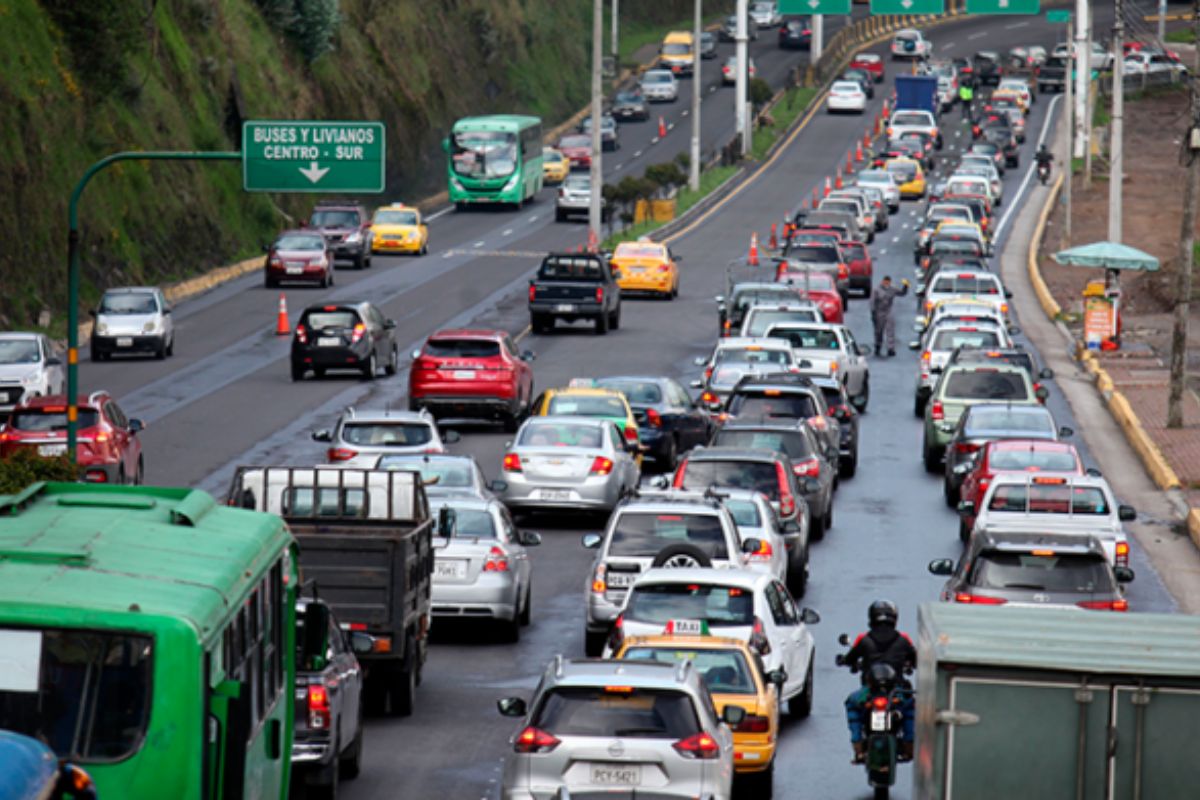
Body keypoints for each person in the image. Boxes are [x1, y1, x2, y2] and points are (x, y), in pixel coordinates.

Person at [843, 600, 917, 762]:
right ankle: (908, 745)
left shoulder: (864, 639)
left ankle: (857, 746)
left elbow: (849, 659)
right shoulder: (903, 640)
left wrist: (846, 661)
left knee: (851, 704)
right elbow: (916, 659)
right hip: (896, 692)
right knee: (910, 707)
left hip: (869, 693)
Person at [870, 275, 909, 357]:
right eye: (885, 282)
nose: (886, 284)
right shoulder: (876, 290)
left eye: (888, 282)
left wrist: (905, 286)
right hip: (879, 312)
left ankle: (891, 348)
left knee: (890, 330)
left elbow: (902, 293)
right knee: (879, 331)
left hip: (888, 311)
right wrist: (873, 313)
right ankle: (878, 345)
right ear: (882, 281)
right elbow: (872, 302)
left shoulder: (892, 288)